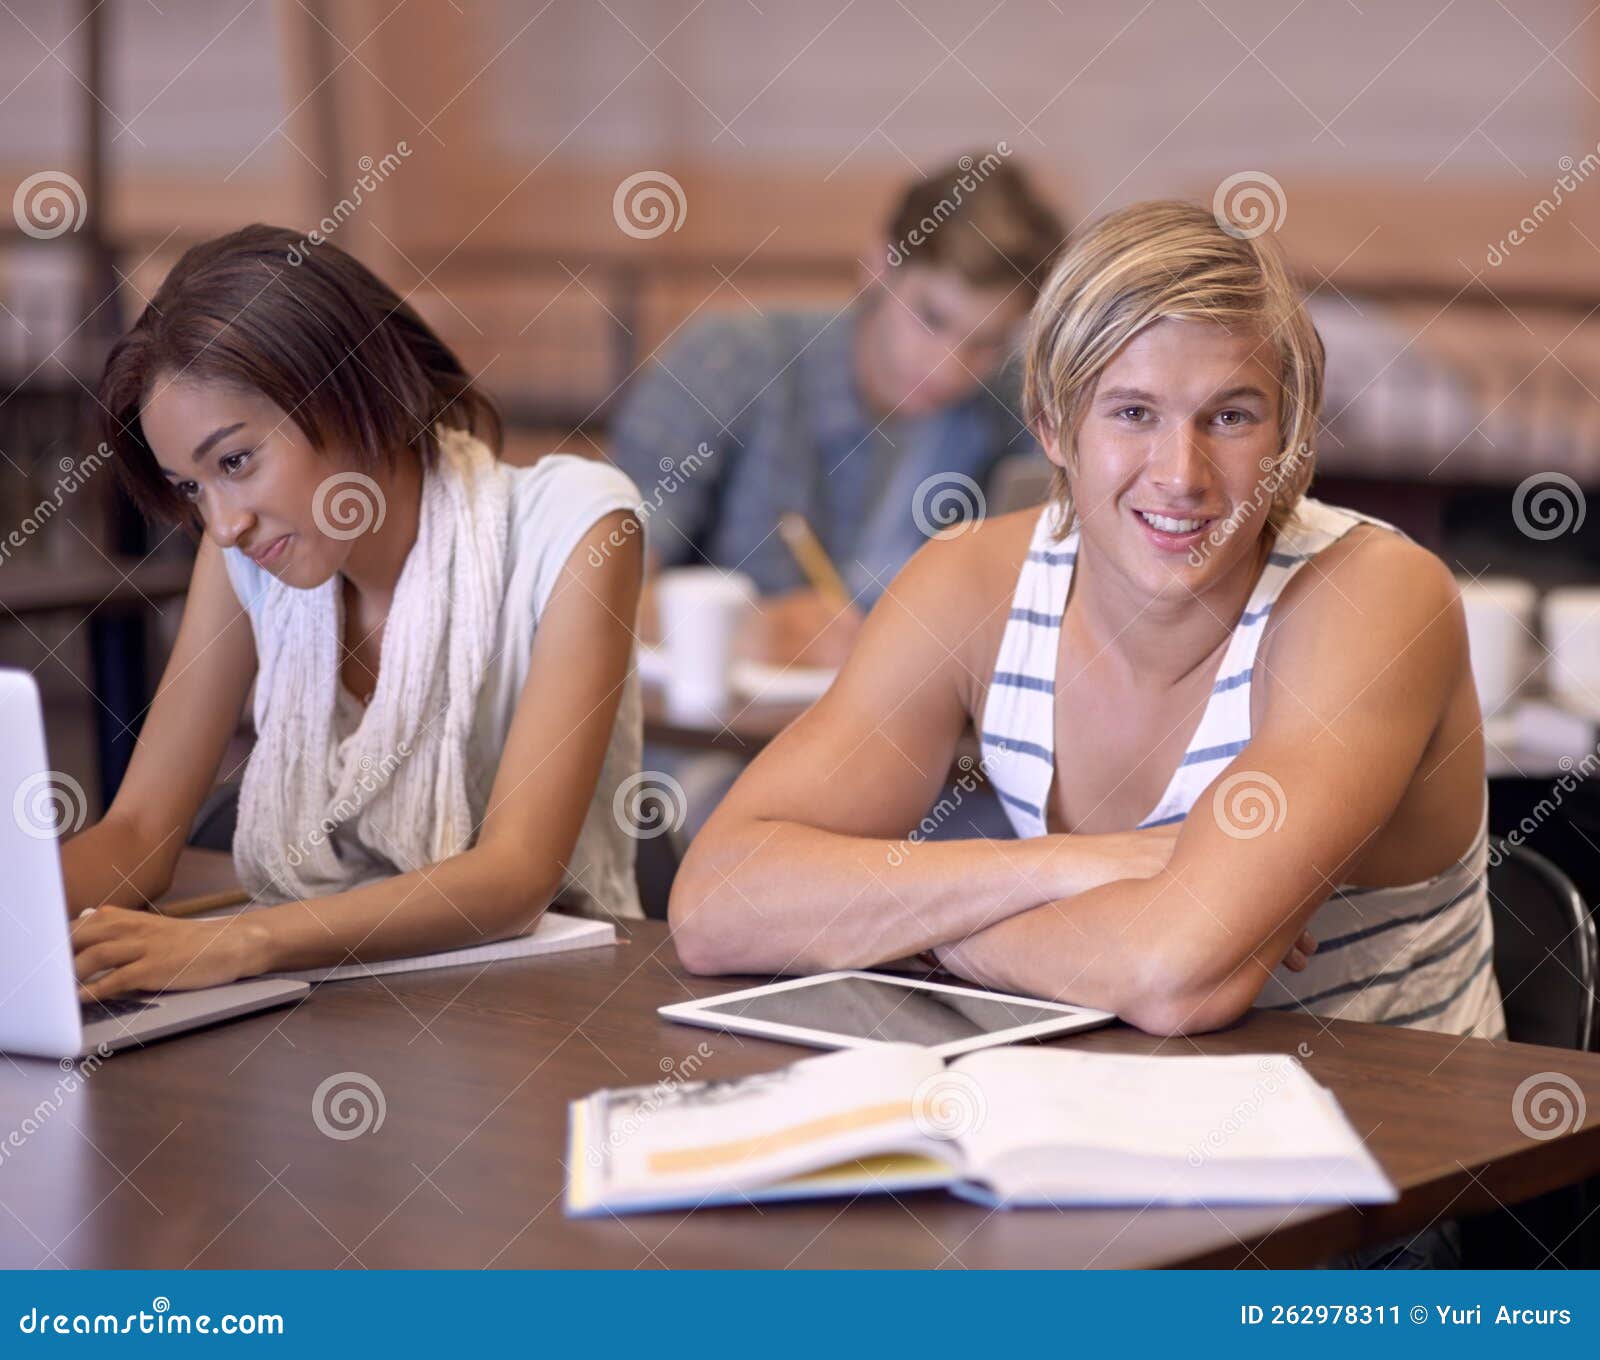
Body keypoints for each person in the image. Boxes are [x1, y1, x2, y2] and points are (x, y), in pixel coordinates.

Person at [670, 199, 1507, 1050]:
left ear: (1289, 434)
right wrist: (1075, 865)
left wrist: (891, 928)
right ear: (1051, 425)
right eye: (1132, 412)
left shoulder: (1373, 595)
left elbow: (1175, 977)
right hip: (1098, 1126)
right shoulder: (969, 584)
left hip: (1402, 1155)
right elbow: (715, 906)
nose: (1181, 475)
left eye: (1230, 416)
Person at [66, 224, 644, 1001]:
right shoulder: (241, 551)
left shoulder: (579, 525)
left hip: (549, 1010)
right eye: (191, 487)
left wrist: (242, 943)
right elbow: (139, 834)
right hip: (336, 994)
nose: (224, 522)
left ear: (352, 390)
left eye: (235, 462)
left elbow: (514, 879)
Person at [610, 153, 1067, 669]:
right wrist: (751, 631)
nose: (949, 367)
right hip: (718, 738)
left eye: (985, 343)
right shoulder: (731, 360)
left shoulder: (1011, 407)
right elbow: (592, 594)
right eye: (932, 317)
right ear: (879, 265)